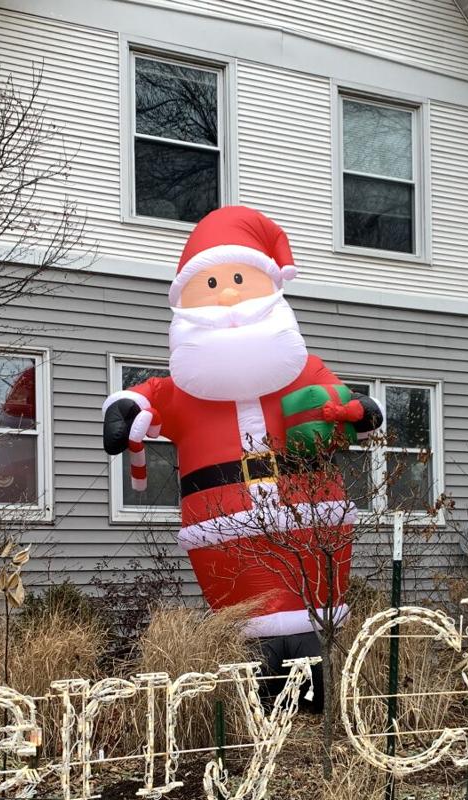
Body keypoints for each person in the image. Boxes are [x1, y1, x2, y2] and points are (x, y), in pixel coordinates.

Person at [101, 206, 381, 709]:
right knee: (249, 630)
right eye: (211, 284)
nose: (228, 296)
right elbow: (144, 399)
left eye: (238, 280)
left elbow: (345, 404)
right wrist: (123, 410)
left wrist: (360, 411)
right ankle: (259, 706)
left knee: (310, 627)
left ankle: (315, 703)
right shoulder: (183, 391)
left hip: (309, 523)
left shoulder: (303, 372)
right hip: (223, 535)